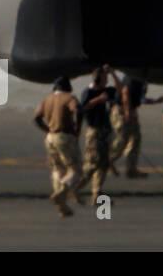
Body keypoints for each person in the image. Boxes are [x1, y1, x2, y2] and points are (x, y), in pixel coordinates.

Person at [33, 76, 82, 217]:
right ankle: (61, 193)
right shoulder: (69, 98)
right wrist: (77, 129)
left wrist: (46, 129)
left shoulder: (47, 100)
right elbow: (78, 110)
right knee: (76, 170)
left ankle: (62, 206)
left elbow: (36, 118)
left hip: (50, 138)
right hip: (64, 136)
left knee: (57, 169)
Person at [111, 70, 163, 178]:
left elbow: (139, 98)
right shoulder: (135, 75)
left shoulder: (141, 78)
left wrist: (155, 101)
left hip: (131, 109)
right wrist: (127, 112)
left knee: (135, 139)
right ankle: (107, 160)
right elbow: (125, 92)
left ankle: (131, 169)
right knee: (122, 139)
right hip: (122, 110)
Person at [75, 66, 116, 206]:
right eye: (104, 79)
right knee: (92, 163)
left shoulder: (106, 91)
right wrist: (98, 100)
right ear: (97, 79)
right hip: (94, 131)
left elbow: (120, 89)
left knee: (103, 163)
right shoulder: (88, 92)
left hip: (105, 130)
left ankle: (97, 192)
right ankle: (75, 187)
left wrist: (113, 73)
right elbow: (82, 108)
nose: (106, 82)